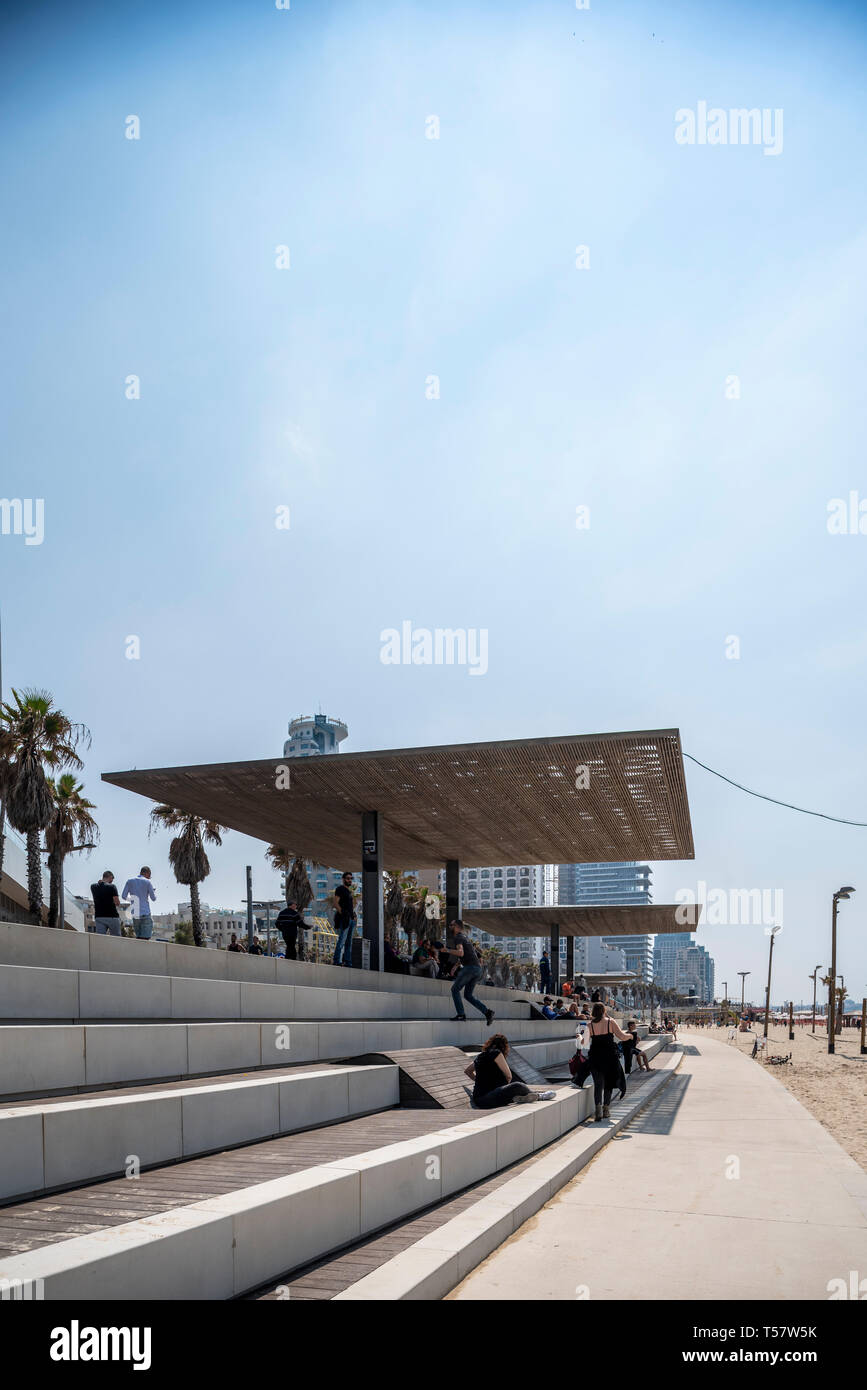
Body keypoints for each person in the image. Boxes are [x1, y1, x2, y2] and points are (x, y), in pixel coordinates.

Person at [464, 1034, 556, 1108]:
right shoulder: (496, 1053)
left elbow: (468, 1071)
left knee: (508, 1092)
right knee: (517, 1085)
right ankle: (540, 1096)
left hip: (479, 1100)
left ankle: (520, 1097)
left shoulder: (480, 1056)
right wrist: (504, 1086)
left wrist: (480, 1081)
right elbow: (509, 1076)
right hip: (490, 1098)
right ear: (503, 1047)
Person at [442, 920, 494, 1026]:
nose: (449, 927)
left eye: (451, 925)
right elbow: (469, 954)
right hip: (477, 970)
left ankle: (461, 1014)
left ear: (457, 927)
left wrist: (447, 950)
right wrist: (456, 966)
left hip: (470, 968)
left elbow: (461, 953)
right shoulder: (465, 938)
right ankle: (487, 1012)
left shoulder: (458, 938)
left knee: (455, 989)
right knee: (468, 995)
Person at [586, 1003, 631, 1121]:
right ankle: (606, 1109)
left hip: (595, 1058)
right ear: (604, 1010)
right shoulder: (610, 1022)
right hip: (610, 1058)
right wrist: (630, 1036)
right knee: (608, 1084)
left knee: (598, 1085)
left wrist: (579, 1037)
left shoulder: (589, 1025)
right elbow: (622, 1036)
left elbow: (583, 1042)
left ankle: (598, 1110)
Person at [121, 866, 156, 940]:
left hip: (135, 913)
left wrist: (133, 900)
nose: (149, 878)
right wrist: (151, 892)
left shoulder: (129, 881)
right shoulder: (147, 882)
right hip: (145, 913)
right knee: (145, 939)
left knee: (139, 938)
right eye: (149, 876)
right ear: (147, 873)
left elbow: (123, 896)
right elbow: (153, 898)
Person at [332, 871, 356, 968]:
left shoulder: (349, 891)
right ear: (343, 879)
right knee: (342, 940)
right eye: (347, 878)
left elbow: (350, 906)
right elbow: (335, 903)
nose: (349, 880)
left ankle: (347, 962)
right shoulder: (340, 889)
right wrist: (343, 914)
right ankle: (336, 961)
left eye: (351, 878)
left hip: (351, 920)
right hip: (344, 919)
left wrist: (353, 915)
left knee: (349, 943)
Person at [91, 871, 126, 936]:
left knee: (101, 940)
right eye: (112, 878)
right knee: (116, 939)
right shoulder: (112, 887)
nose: (112, 880)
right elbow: (117, 902)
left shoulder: (93, 886)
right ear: (109, 876)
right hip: (112, 916)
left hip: (99, 917)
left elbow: (100, 887)